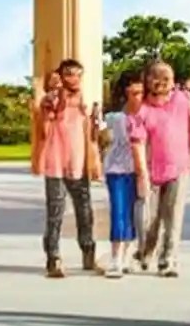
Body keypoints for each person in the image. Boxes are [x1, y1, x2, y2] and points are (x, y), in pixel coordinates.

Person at [31, 59, 101, 278]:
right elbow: (43, 130)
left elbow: (91, 135)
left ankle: (88, 253)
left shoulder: (84, 102)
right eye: (69, 74)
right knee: (56, 212)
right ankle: (53, 257)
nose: (75, 79)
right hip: (56, 162)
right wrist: (51, 105)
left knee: (85, 210)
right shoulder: (51, 100)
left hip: (78, 162)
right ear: (60, 76)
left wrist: (94, 159)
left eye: (78, 74)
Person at [133, 59, 190, 277]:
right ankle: (146, 250)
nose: (162, 83)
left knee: (173, 215)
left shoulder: (182, 100)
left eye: (167, 78)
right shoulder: (142, 110)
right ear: (148, 81)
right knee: (152, 218)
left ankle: (168, 260)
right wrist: (142, 172)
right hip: (153, 170)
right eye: (156, 78)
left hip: (179, 166)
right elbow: (138, 143)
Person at [100, 69, 149, 279]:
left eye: (141, 90)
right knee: (119, 212)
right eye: (134, 90)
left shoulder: (149, 113)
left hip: (143, 170)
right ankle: (115, 258)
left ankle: (127, 255)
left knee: (135, 215)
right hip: (118, 170)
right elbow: (101, 138)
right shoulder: (115, 117)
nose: (138, 95)